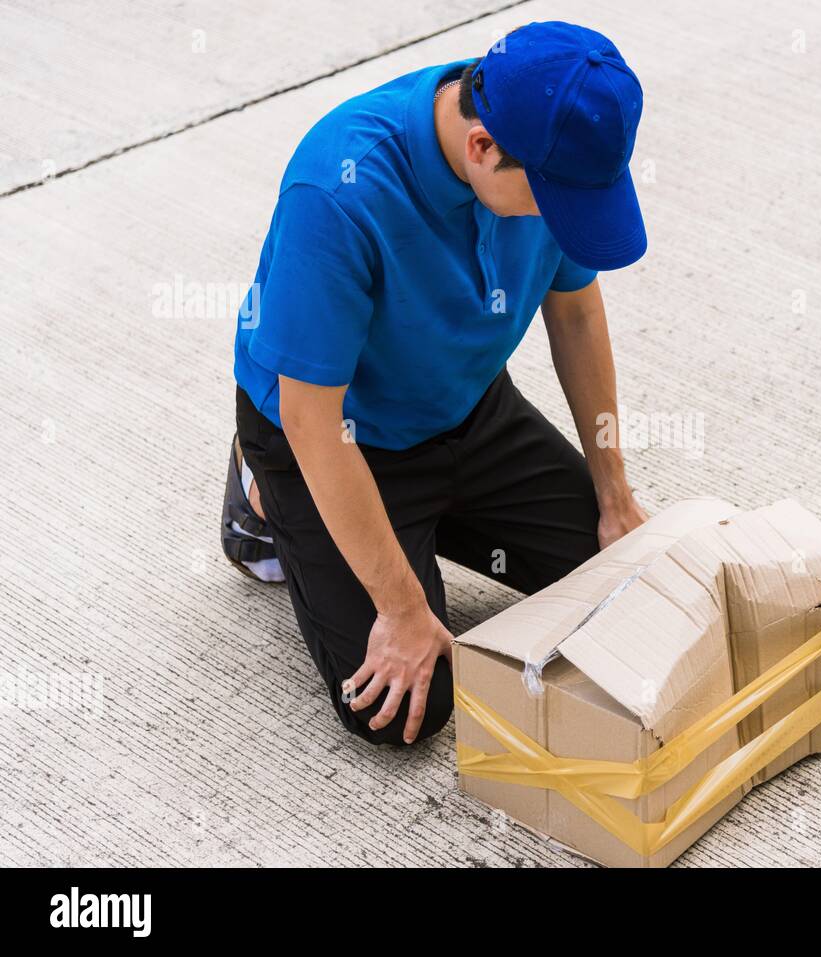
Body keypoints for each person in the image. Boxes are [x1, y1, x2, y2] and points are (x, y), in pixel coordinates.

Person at [220, 20, 648, 746]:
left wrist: (615, 496)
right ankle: (263, 494)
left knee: (627, 588)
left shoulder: (543, 151)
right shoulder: (340, 187)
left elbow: (574, 315)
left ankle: (426, 516)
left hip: (468, 406)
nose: (562, 221)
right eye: (555, 203)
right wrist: (404, 607)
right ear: (482, 149)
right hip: (332, 435)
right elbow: (312, 417)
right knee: (407, 709)